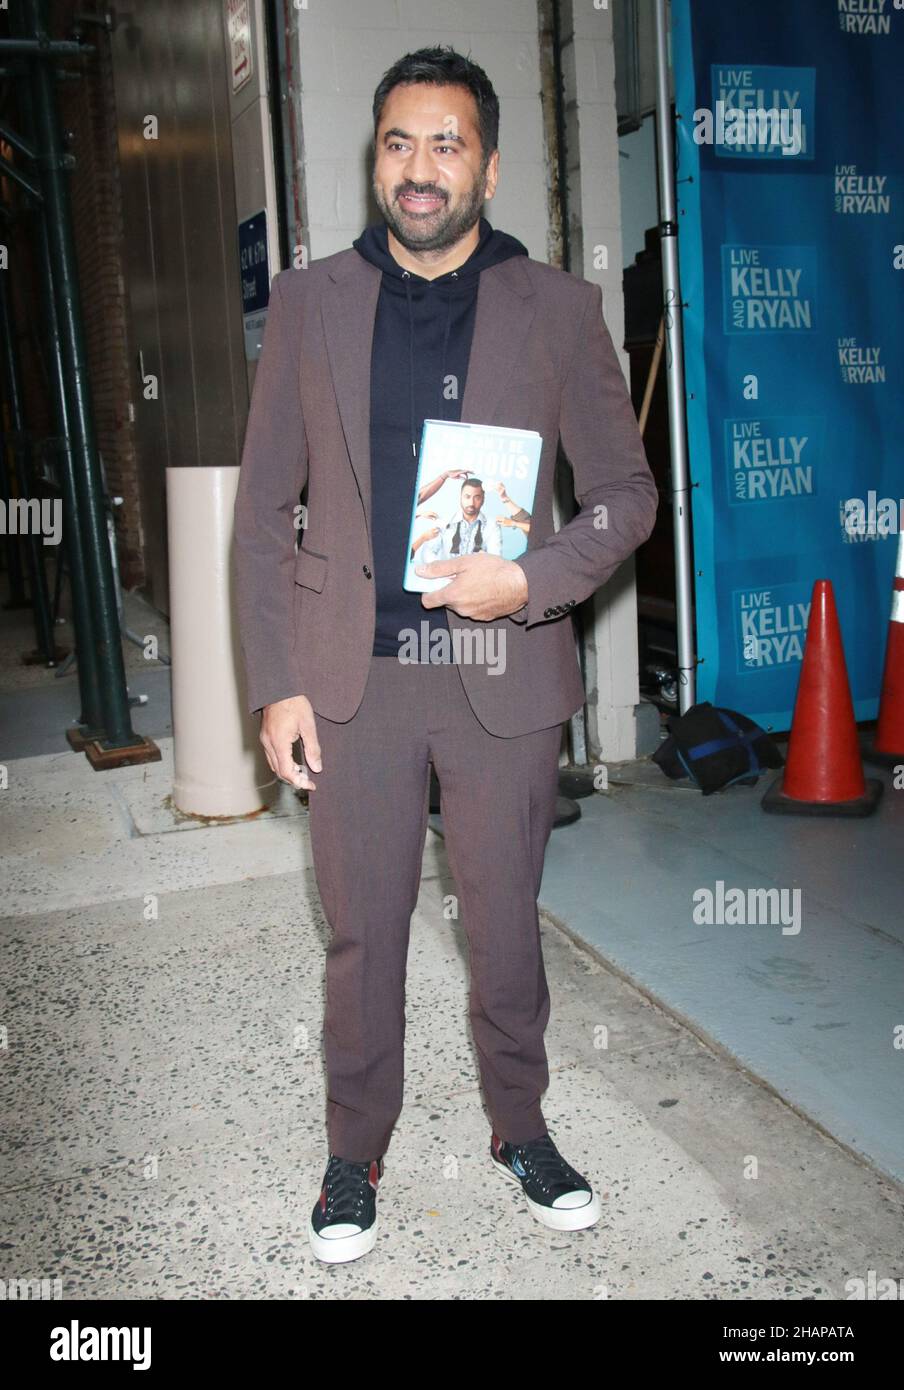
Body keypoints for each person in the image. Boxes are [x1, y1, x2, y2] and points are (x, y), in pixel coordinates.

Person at [234, 45, 658, 1265]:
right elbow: (264, 509)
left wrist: (530, 578)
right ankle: (353, 1149)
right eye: (398, 144)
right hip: (349, 679)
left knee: (504, 923)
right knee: (361, 931)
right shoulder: (311, 303)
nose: (420, 171)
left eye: (447, 144)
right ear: (375, 159)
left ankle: (519, 1125)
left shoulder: (560, 310)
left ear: (488, 163)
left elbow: (626, 498)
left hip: (500, 679)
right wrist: (277, 683)